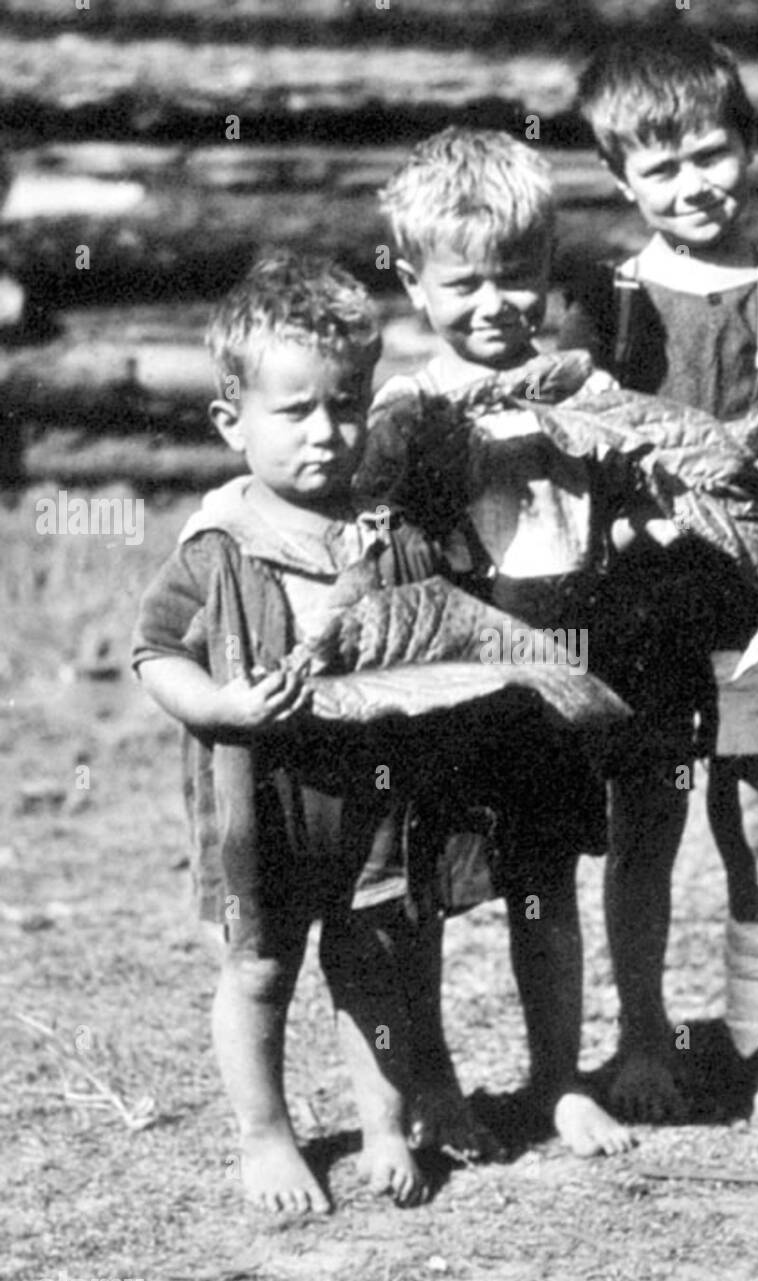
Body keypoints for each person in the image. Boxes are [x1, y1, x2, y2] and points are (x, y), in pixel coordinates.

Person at [559, 35, 758, 1123]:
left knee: (756, 826)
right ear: (622, 180)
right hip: (641, 606)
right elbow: (582, 446)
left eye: (711, 154)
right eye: (662, 168)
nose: (694, 185)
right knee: (644, 826)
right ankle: (640, 1038)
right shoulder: (610, 300)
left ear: (748, 145)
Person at [132, 253, 439, 1213]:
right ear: (233, 422)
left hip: (375, 800)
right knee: (261, 967)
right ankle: (265, 1135)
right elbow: (153, 653)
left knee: (372, 967)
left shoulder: (389, 537)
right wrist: (217, 707)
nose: (327, 433)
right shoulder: (219, 547)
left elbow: (434, 639)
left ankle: (385, 1123)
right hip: (256, 802)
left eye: (347, 406)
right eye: (295, 411)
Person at [369, 126, 636, 1158]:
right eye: (465, 282)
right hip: (445, 672)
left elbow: (621, 503)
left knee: (545, 883)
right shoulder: (406, 408)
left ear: (548, 263)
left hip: (558, 665)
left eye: (518, 277)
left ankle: (560, 1078)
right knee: (425, 896)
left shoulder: (583, 390)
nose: (495, 304)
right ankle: (434, 1085)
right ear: (413, 283)